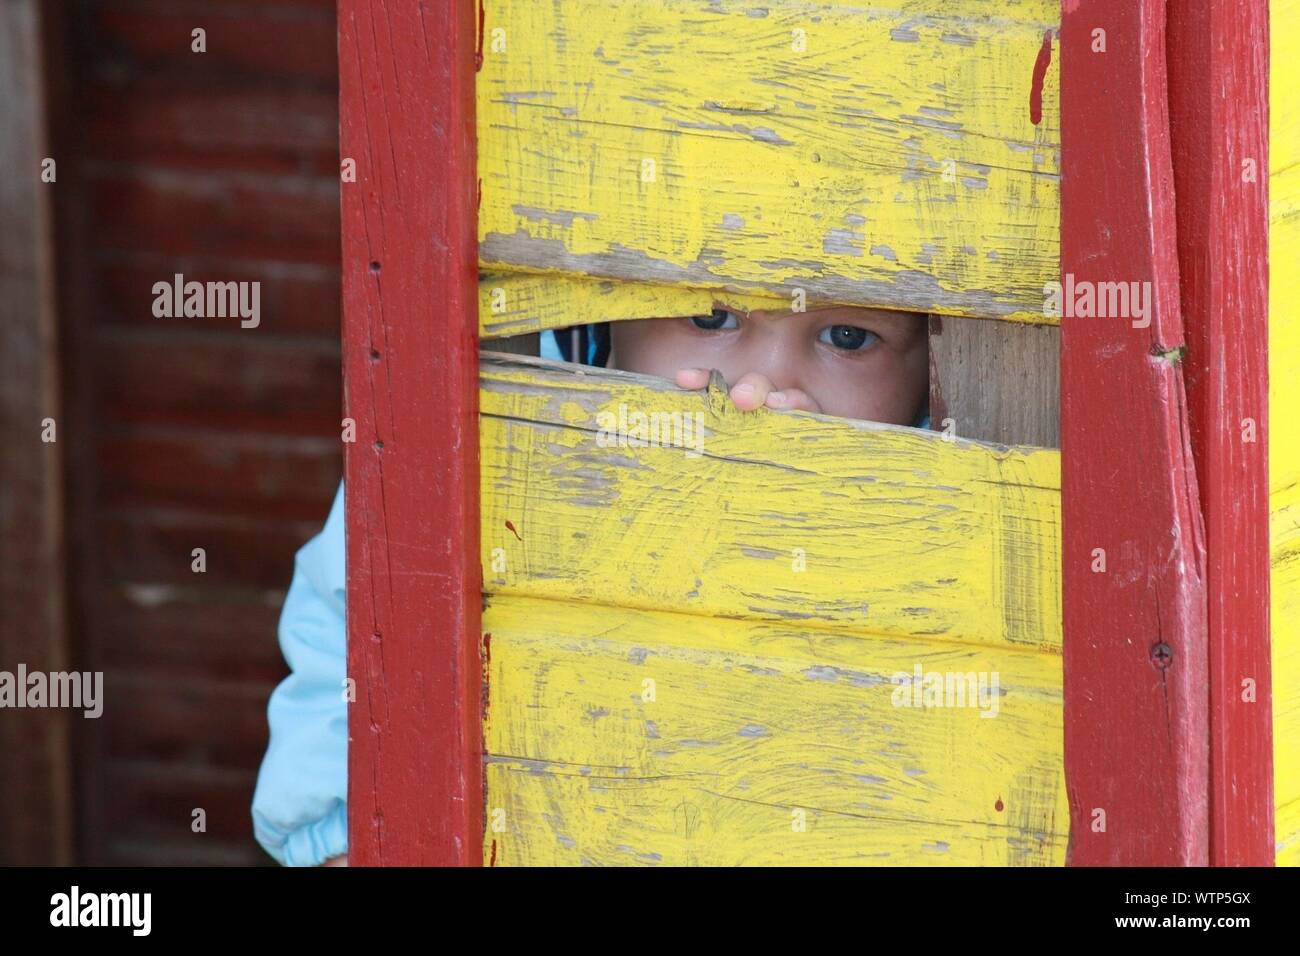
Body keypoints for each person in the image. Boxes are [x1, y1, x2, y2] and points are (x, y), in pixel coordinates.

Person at [251, 304, 930, 865]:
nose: (762, 389)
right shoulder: (506, 415)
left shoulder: (938, 514)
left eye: (848, 337)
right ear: (610, 316)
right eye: (711, 315)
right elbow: (355, 613)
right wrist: (343, 832)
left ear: (932, 372)